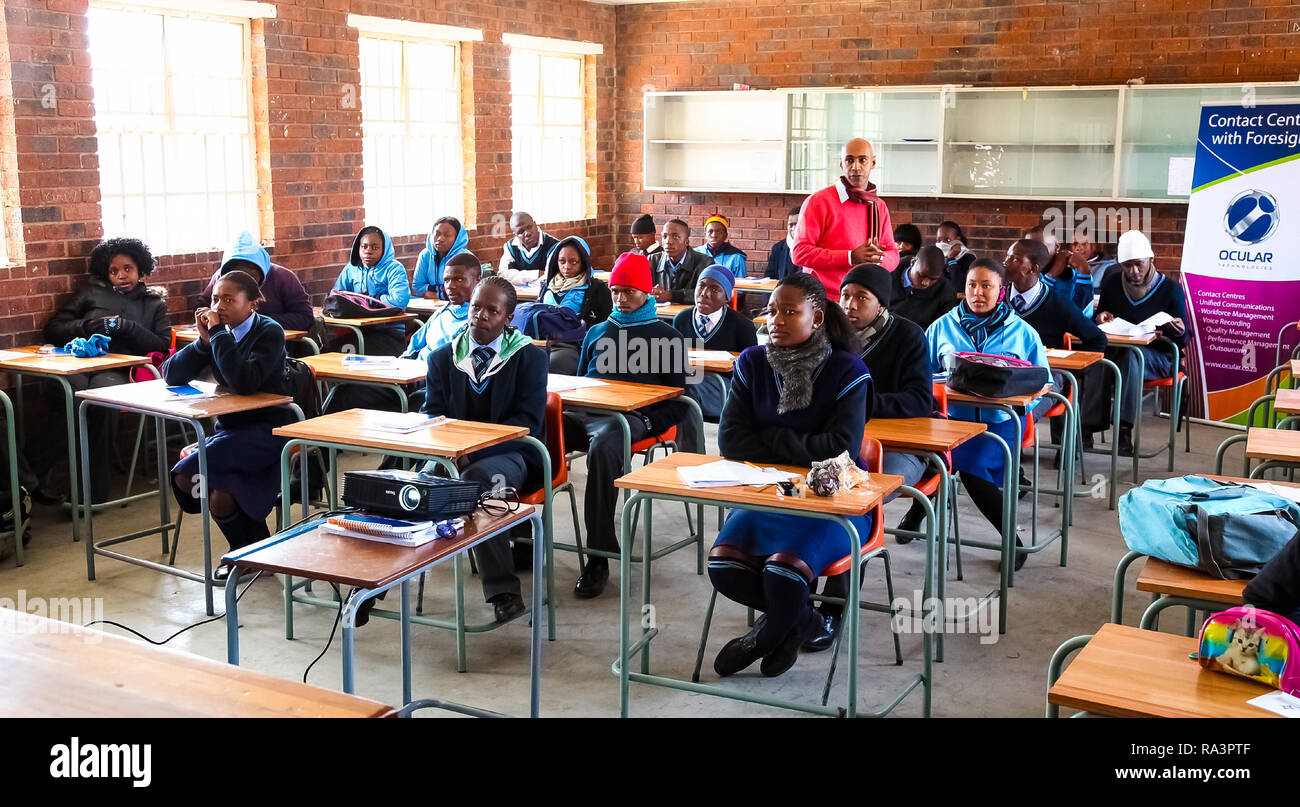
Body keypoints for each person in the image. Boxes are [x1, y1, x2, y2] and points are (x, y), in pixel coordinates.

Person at [707, 272, 873, 678]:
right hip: (768, 490)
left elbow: (842, 450)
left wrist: (771, 437)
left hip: (834, 497)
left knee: (784, 570)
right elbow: (731, 441)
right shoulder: (752, 362)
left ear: (816, 318)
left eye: (789, 312)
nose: (775, 320)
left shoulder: (847, 369)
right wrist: (800, 442)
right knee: (723, 567)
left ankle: (764, 638)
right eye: (772, 310)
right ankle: (804, 623)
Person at [806, 263, 933, 650]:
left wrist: (860, 400)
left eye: (861, 297)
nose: (849, 304)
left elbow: (920, 400)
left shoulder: (908, 336)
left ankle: (833, 606)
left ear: (881, 304)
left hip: (901, 448)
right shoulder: (827, 333)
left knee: (858, 502)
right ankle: (794, 591)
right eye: (845, 295)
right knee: (808, 496)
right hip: (842, 443)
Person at [422, 277, 548, 624]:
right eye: (476, 307)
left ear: (508, 318)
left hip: (514, 453)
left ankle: (503, 591)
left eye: (492, 310)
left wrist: (469, 451)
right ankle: (374, 590)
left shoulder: (529, 359)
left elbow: (526, 423)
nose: (481, 315)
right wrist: (446, 447)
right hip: (452, 454)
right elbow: (432, 413)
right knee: (413, 484)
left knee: (478, 480)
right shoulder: (443, 358)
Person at [566, 252, 691, 598]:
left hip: (634, 418)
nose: (620, 300)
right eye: (616, 291)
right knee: (540, 432)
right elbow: (580, 384)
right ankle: (519, 538)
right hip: (587, 413)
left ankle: (599, 554)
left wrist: (650, 420)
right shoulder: (596, 332)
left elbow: (679, 400)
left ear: (647, 293)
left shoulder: (668, 336)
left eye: (629, 292)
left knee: (606, 445)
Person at [164, 270, 294, 581]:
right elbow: (171, 374)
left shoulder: (269, 332)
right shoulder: (220, 334)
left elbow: (244, 382)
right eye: (214, 299)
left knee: (185, 475)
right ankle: (252, 554)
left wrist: (219, 334)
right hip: (231, 431)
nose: (219, 306)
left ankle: (254, 554)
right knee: (221, 495)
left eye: (228, 299)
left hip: (270, 430)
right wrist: (202, 343)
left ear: (252, 304)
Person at [924, 257, 1052, 571]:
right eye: (971, 285)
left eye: (986, 286)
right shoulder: (941, 327)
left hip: (1000, 424)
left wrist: (1019, 402)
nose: (978, 292)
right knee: (931, 457)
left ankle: (1013, 542)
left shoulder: (1021, 331)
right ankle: (921, 508)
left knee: (969, 467)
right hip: (952, 421)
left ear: (1001, 290)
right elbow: (922, 376)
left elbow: (1044, 381)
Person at [39, 237, 171, 504]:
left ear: (140, 269)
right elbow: (53, 329)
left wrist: (128, 328)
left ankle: (90, 494)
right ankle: (30, 480)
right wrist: (86, 327)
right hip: (82, 364)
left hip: (123, 370)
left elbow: (162, 344)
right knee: (67, 397)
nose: (121, 275)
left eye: (127, 268)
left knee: (98, 400)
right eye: (113, 271)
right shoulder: (91, 295)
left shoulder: (153, 303)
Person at [323, 253, 481, 415]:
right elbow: (413, 347)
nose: (451, 286)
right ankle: (307, 439)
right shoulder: (442, 313)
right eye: (447, 280)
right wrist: (397, 370)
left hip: (432, 385)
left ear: (477, 280)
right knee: (344, 392)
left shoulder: (479, 320)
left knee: (417, 402)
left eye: (459, 279)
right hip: (408, 379)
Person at [1084, 229, 1187, 456]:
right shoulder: (1112, 283)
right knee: (1099, 360)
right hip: (1118, 350)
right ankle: (1087, 428)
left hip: (1159, 357)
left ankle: (1123, 430)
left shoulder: (1171, 290)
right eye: (1127, 265)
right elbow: (1101, 316)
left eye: (1139, 264)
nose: (1134, 271)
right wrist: (1100, 318)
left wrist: (1178, 330)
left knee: (1132, 358)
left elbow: (1183, 339)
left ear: (1151, 259)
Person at [1004, 238, 1108, 452]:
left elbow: (1097, 339)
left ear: (1033, 268)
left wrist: (1072, 368)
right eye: (1006, 256)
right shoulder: (997, 297)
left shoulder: (1058, 304)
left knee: (1016, 417)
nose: (1005, 263)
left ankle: (1009, 471)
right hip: (1004, 373)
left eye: (1014, 259)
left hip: (1047, 375)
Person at [792, 138, 899, 295]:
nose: (856, 167)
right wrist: (850, 257)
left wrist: (877, 259)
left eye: (862, 160)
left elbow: (893, 254)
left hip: (864, 298)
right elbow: (799, 252)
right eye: (849, 160)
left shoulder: (878, 205)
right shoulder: (818, 201)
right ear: (841, 164)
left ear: (873, 163)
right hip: (824, 299)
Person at [671, 265, 758, 452]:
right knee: (681, 389)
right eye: (701, 287)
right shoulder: (682, 319)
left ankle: (691, 457)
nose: (704, 294)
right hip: (690, 382)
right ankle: (686, 453)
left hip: (724, 390)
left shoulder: (742, 325)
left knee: (685, 390)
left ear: (727, 297)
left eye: (714, 289)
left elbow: (752, 372)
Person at [201, 231, 314, 332]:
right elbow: (202, 306)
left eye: (249, 277)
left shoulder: (283, 278)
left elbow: (305, 317)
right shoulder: (221, 279)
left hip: (274, 339)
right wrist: (209, 316)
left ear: (260, 271)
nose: (243, 284)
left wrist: (255, 322)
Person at [535, 235, 612, 375]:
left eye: (573, 262)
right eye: (561, 261)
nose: (566, 267)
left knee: (552, 364)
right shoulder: (547, 285)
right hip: (542, 343)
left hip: (573, 346)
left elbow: (605, 328)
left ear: (583, 262)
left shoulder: (597, 289)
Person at [332, 225, 412, 356]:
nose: (368, 251)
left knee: (360, 349)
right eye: (364, 247)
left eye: (375, 247)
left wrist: (365, 300)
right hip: (357, 329)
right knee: (334, 349)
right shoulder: (351, 268)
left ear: (384, 249)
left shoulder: (394, 269)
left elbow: (399, 301)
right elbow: (336, 297)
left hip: (389, 331)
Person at [890, 244, 959, 330]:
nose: (925, 283)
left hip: (917, 339)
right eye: (921, 275)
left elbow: (938, 331)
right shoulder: (887, 275)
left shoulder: (946, 293)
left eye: (933, 279)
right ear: (913, 263)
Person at [649, 218, 710, 304]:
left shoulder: (705, 262)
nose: (668, 241)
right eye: (665, 236)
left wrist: (671, 295)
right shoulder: (652, 260)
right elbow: (639, 290)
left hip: (690, 315)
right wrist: (652, 292)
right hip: (658, 315)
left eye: (675, 236)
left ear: (686, 242)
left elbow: (706, 294)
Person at [412, 216, 469, 299]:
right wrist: (442, 290)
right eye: (437, 234)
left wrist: (436, 295)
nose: (440, 239)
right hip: (431, 306)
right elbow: (417, 287)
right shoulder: (425, 255)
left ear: (457, 239)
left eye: (447, 235)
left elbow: (466, 291)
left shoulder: (464, 257)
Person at [496, 212, 559, 286]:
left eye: (529, 227)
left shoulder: (554, 246)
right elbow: (502, 275)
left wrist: (519, 279)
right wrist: (536, 274)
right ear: (515, 234)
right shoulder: (510, 247)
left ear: (535, 225)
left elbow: (551, 278)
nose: (527, 233)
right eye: (521, 231)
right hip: (521, 296)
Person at [694, 213, 747, 279]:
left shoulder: (736, 257)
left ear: (725, 235)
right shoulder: (695, 254)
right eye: (710, 231)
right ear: (705, 235)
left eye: (719, 232)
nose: (714, 235)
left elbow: (740, 286)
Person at [766, 205, 806, 280]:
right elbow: (769, 278)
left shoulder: (813, 248)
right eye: (790, 225)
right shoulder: (777, 248)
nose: (794, 228)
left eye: (797, 224)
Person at [936, 220, 976, 291]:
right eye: (939, 240)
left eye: (948, 240)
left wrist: (951, 259)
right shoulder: (938, 256)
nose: (942, 244)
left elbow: (960, 285)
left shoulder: (968, 257)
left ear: (957, 240)